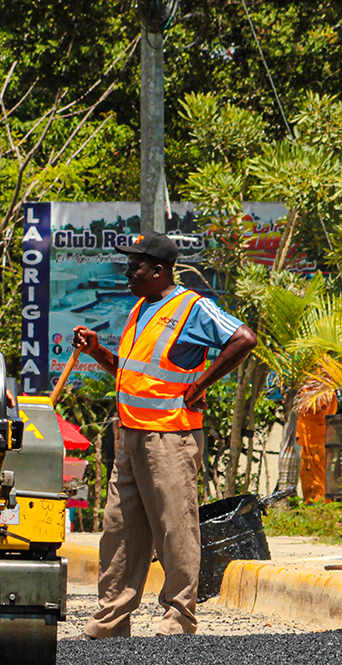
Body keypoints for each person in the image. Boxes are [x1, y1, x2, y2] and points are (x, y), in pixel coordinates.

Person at [71, 231, 257, 639]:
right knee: (120, 529)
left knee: (175, 528)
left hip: (169, 439)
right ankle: (110, 621)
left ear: (158, 271)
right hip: (133, 436)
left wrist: (199, 385)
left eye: (135, 266)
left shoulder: (193, 308)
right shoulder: (141, 307)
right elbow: (133, 372)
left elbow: (244, 339)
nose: (127, 272)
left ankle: (178, 619)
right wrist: (97, 351)